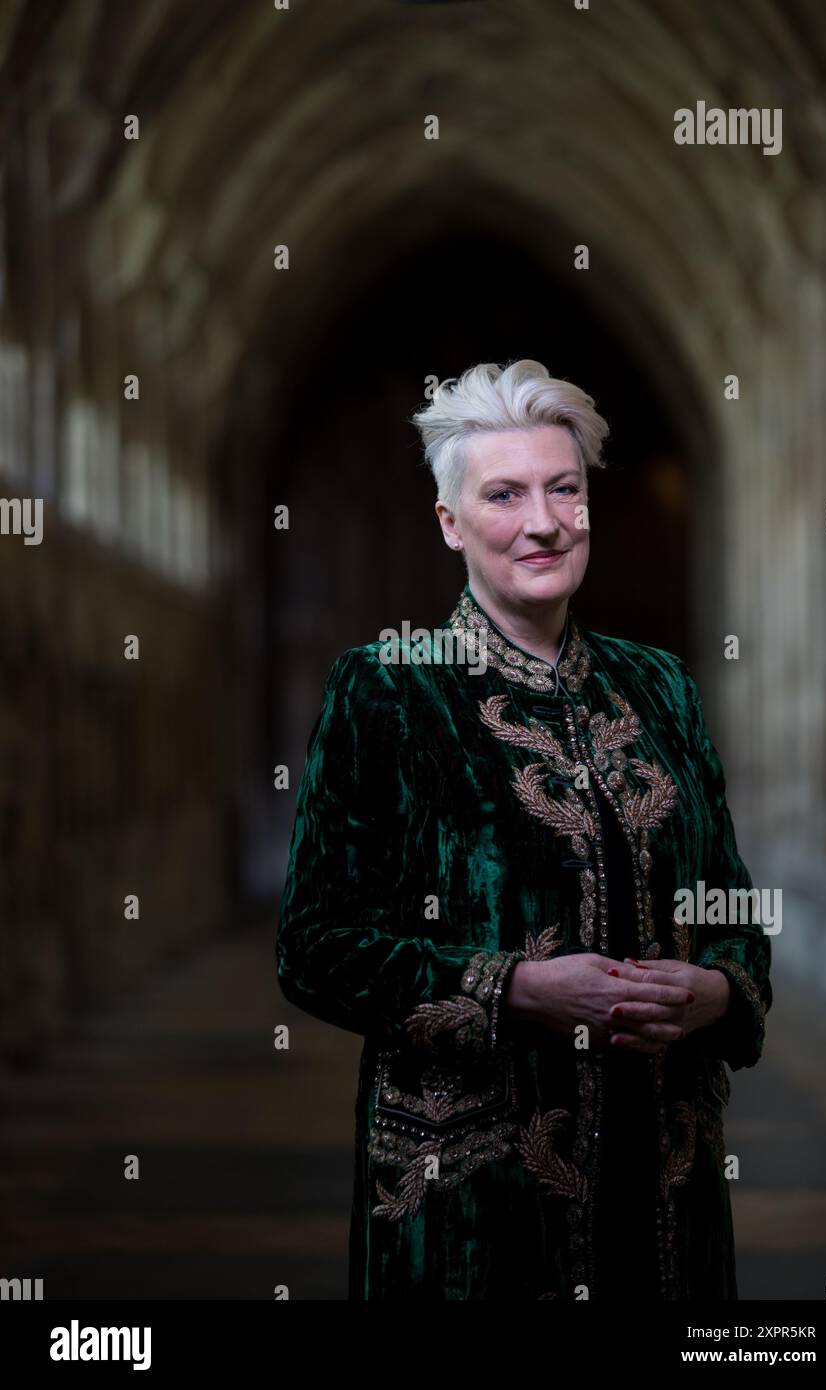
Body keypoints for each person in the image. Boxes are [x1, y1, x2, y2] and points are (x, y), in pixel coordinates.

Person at [276, 358, 772, 1301]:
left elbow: (730, 904)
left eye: (564, 490)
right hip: (471, 1208)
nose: (543, 522)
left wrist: (718, 989)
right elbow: (314, 948)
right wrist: (517, 989)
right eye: (503, 494)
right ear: (450, 522)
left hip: (669, 1194)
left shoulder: (661, 687)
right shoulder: (385, 688)